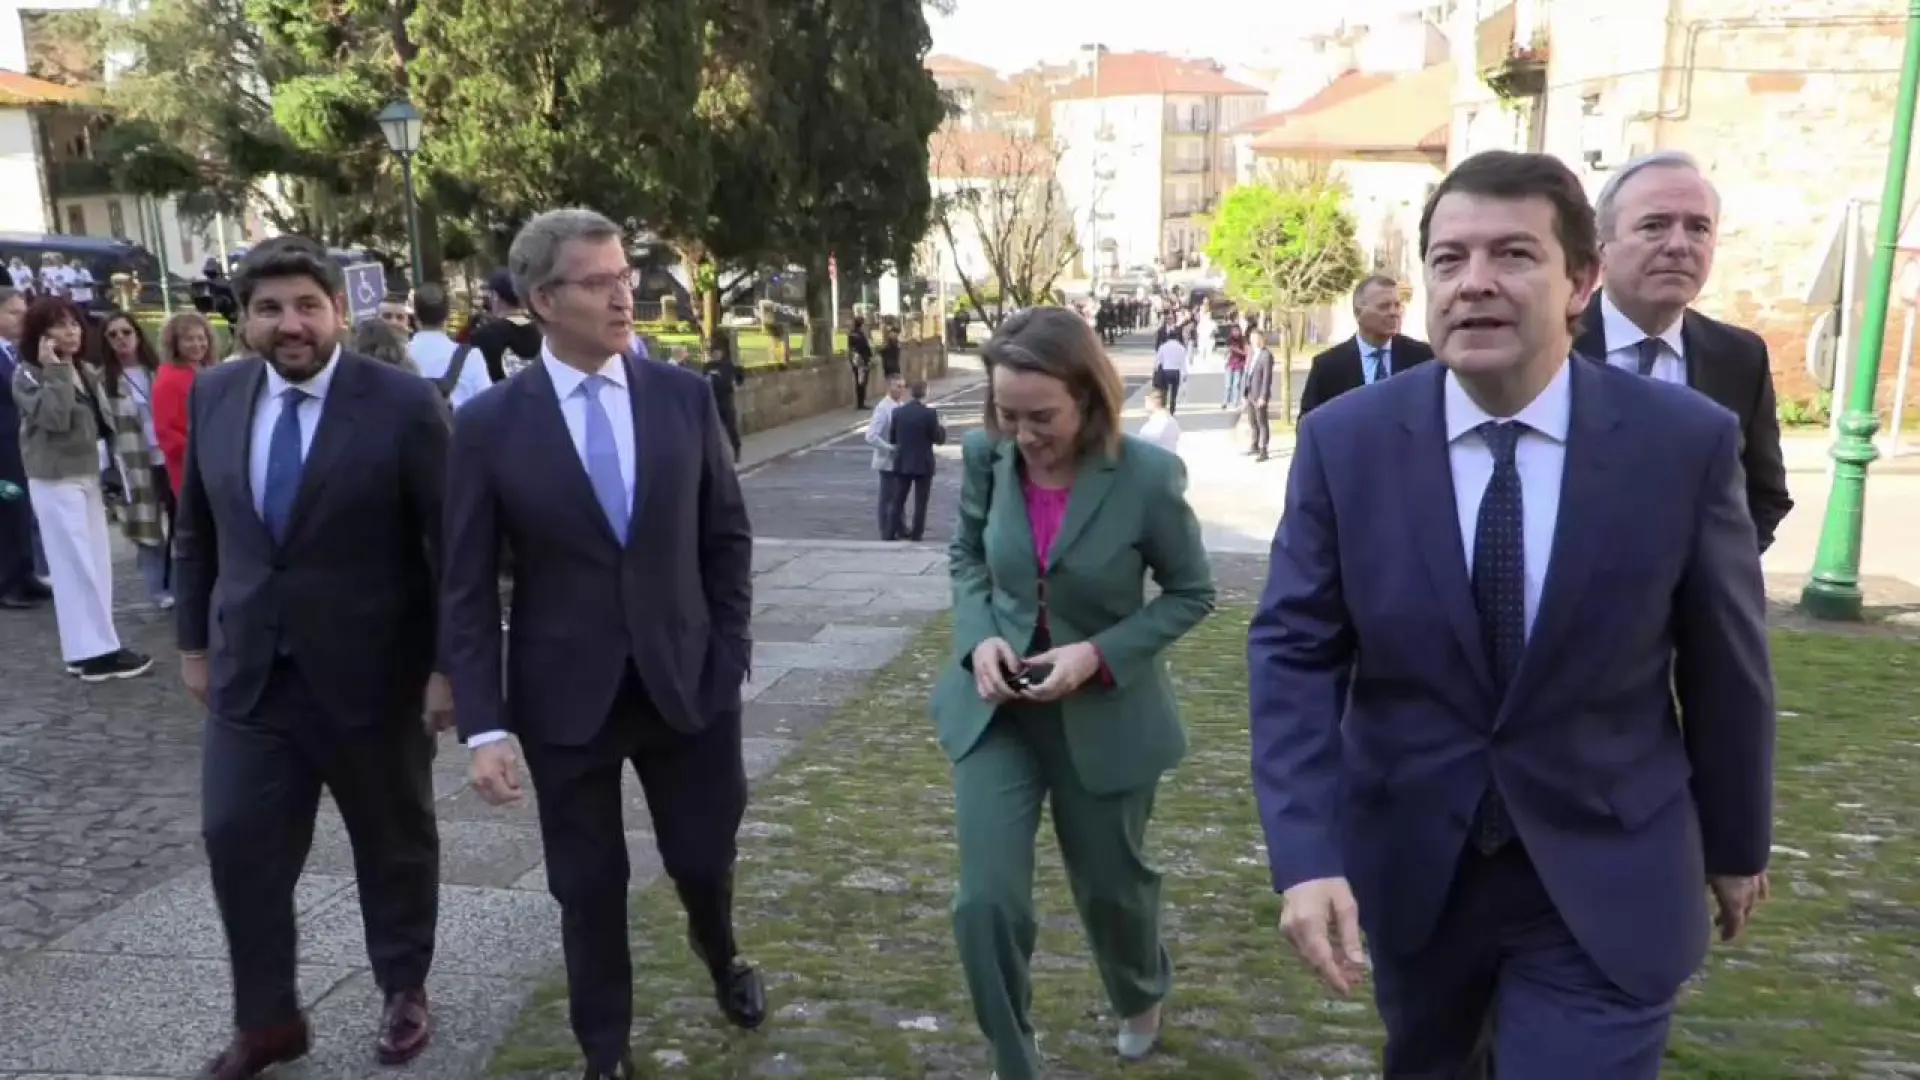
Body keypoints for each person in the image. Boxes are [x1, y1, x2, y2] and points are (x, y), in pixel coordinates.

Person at [1247, 150, 1775, 1078]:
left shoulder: (1682, 445)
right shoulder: (1348, 443)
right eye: (1449, 260)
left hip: (1609, 867)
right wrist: (1303, 853)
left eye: (1513, 256)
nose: (1475, 283)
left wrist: (1736, 843)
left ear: (1580, 280)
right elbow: (1294, 651)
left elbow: (1726, 665)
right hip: (1417, 868)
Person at [441, 208, 763, 1080]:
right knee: (585, 889)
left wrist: (729, 653)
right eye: (600, 282)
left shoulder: (683, 397)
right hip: (564, 696)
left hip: (687, 684)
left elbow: (725, 540)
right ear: (543, 300)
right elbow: (465, 586)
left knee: (703, 859)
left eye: (626, 276)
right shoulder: (488, 426)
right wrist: (483, 724)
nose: (626, 295)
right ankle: (605, 1053)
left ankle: (719, 948)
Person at [173, 236, 452, 1078]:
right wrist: (193, 642)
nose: (289, 324)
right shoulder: (220, 394)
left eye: (306, 306)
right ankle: (268, 1021)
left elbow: (452, 546)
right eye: (269, 309)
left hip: (375, 675)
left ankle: (404, 987)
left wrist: (449, 667)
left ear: (337, 310)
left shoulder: (402, 403)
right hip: (251, 673)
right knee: (236, 839)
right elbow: (198, 532)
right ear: (245, 319)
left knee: (392, 842)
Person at [933, 306, 1215, 1080]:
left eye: (1042, 416)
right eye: (1008, 414)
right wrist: (978, 636)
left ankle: (1139, 990)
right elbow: (966, 558)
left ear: (1088, 397)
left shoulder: (1148, 477)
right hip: (1000, 713)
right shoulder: (989, 457)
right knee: (985, 902)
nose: (1024, 434)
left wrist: (1097, 653)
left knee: (1112, 890)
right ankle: (1014, 1058)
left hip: (1105, 715)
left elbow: (1192, 593)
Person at [1576, 149, 1793, 551]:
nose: (1679, 245)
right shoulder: (1551, 344)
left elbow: (1764, 496)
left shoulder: (1739, 357)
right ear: (1601, 244)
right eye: (1654, 226)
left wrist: (1714, 579)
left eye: (1698, 228)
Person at [10, 297, 151, 680]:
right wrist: (55, 370)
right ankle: (97, 652)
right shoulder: (29, 374)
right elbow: (54, 418)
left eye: (74, 323)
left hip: (88, 474)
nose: (71, 331)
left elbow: (104, 426)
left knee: (96, 564)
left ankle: (89, 648)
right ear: (41, 333)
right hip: (55, 479)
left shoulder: (85, 370)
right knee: (75, 566)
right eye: (60, 325)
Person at [97, 311, 173, 607]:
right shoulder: (104, 380)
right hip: (133, 461)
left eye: (126, 332)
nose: (121, 339)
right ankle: (159, 588)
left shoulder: (158, 370)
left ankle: (180, 582)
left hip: (168, 455)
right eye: (112, 335)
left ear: (138, 335)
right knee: (146, 526)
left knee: (179, 522)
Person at [1297, 275, 1436, 418]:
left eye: (1397, 305)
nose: (1394, 313)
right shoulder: (1328, 366)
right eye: (1384, 306)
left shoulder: (1423, 358)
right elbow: (1308, 426)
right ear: (1358, 313)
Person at [0, 287, 50, 609]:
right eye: (14, 312)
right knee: (7, 512)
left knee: (24, 514)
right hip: (1, 450)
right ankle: (7, 583)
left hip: (23, 446)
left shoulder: (16, 353)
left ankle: (26, 573)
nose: (22, 318)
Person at [152, 311, 216, 501]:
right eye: (189, 339)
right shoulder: (168, 379)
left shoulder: (207, 372)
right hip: (192, 470)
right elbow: (167, 433)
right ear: (175, 344)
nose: (197, 344)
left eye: (201, 338)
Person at [409, 282, 494, 410]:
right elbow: (487, 406)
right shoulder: (471, 356)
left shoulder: (400, 355)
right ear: (447, 315)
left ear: (415, 315)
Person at [882, 378, 945, 541]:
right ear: (925, 393)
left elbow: (893, 439)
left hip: (902, 461)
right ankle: (916, 534)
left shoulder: (898, 412)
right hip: (923, 463)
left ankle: (889, 532)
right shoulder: (930, 414)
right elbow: (938, 438)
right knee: (921, 502)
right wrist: (942, 426)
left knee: (897, 500)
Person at [864, 374, 908, 539]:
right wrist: (889, 448)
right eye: (898, 386)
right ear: (889, 387)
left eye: (903, 386)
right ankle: (886, 530)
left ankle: (900, 527)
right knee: (887, 497)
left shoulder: (901, 405)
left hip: (899, 461)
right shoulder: (883, 408)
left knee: (899, 497)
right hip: (886, 460)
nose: (901, 390)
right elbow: (871, 436)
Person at [703, 333, 746, 463]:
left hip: (726, 400)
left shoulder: (727, 365)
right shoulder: (708, 367)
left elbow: (739, 375)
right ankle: (715, 455)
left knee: (730, 427)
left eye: (717, 352)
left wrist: (738, 381)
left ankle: (736, 450)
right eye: (713, 353)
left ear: (721, 353)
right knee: (713, 429)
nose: (715, 355)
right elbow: (703, 379)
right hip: (713, 400)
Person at [1242, 329, 1276, 461]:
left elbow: (1267, 378)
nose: (1254, 341)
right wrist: (1244, 392)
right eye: (1252, 338)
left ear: (1262, 339)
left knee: (1262, 421)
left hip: (1259, 394)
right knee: (1252, 421)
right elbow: (1247, 373)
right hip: (1250, 392)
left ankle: (1264, 449)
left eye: (1256, 338)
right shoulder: (1251, 353)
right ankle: (1254, 444)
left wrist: (1263, 396)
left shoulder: (1266, 355)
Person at [1151, 327, 1187, 414]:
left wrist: (1155, 369)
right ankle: (1172, 408)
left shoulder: (1163, 347)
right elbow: (1183, 362)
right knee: (1174, 391)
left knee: (1164, 390)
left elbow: (1158, 360)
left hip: (1165, 371)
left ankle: (1163, 406)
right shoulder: (1181, 348)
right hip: (1176, 371)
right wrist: (1185, 373)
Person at [1138, 387, 1180, 452]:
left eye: (1146, 400)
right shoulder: (1172, 421)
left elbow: (1143, 443)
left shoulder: (1152, 425)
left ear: (1150, 401)